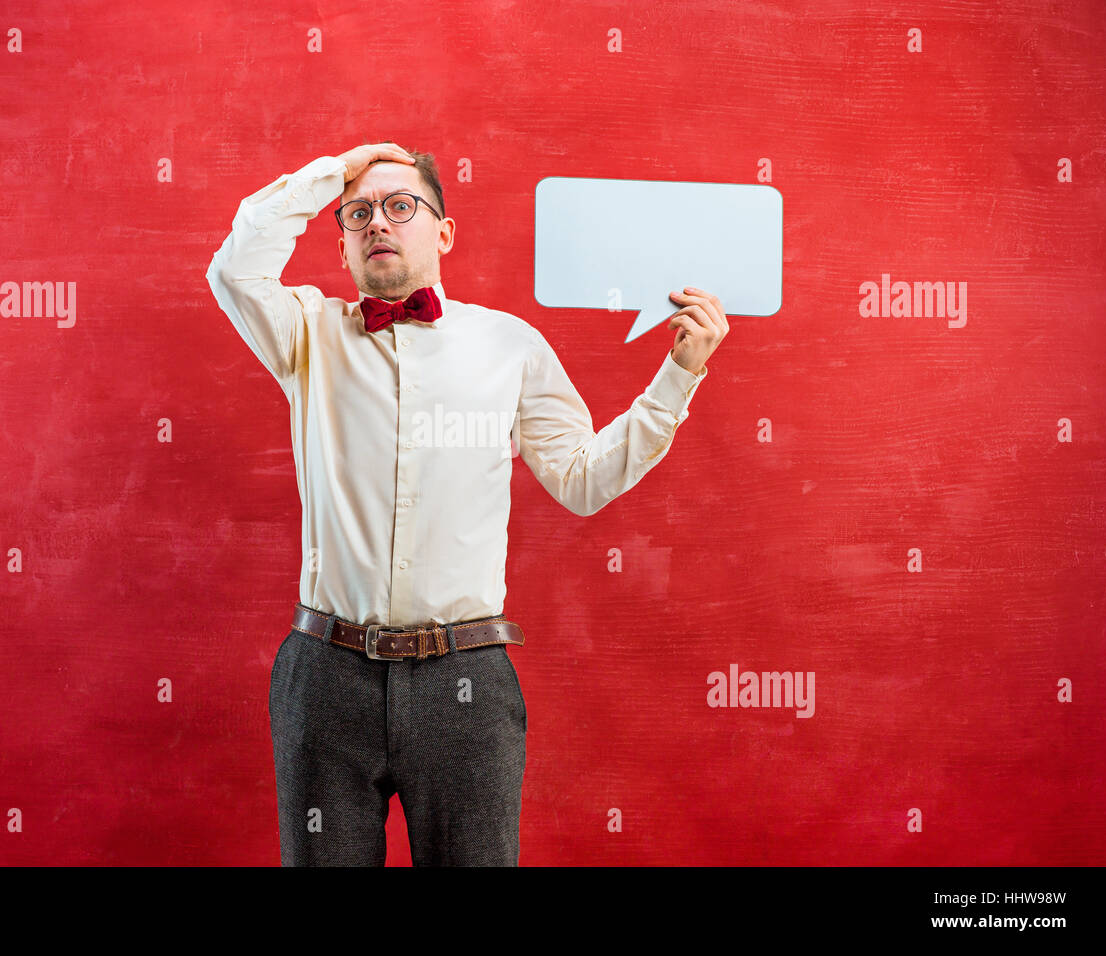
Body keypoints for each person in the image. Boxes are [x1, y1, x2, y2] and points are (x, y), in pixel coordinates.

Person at [205, 142, 729, 866]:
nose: (378, 224)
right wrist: (339, 168)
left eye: (399, 206)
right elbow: (235, 267)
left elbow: (581, 479)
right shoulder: (306, 332)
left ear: (444, 231)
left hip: (467, 679)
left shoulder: (510, 345)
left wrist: (679, 375)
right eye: (358, 214)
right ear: (342, 242)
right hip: (325, 676)